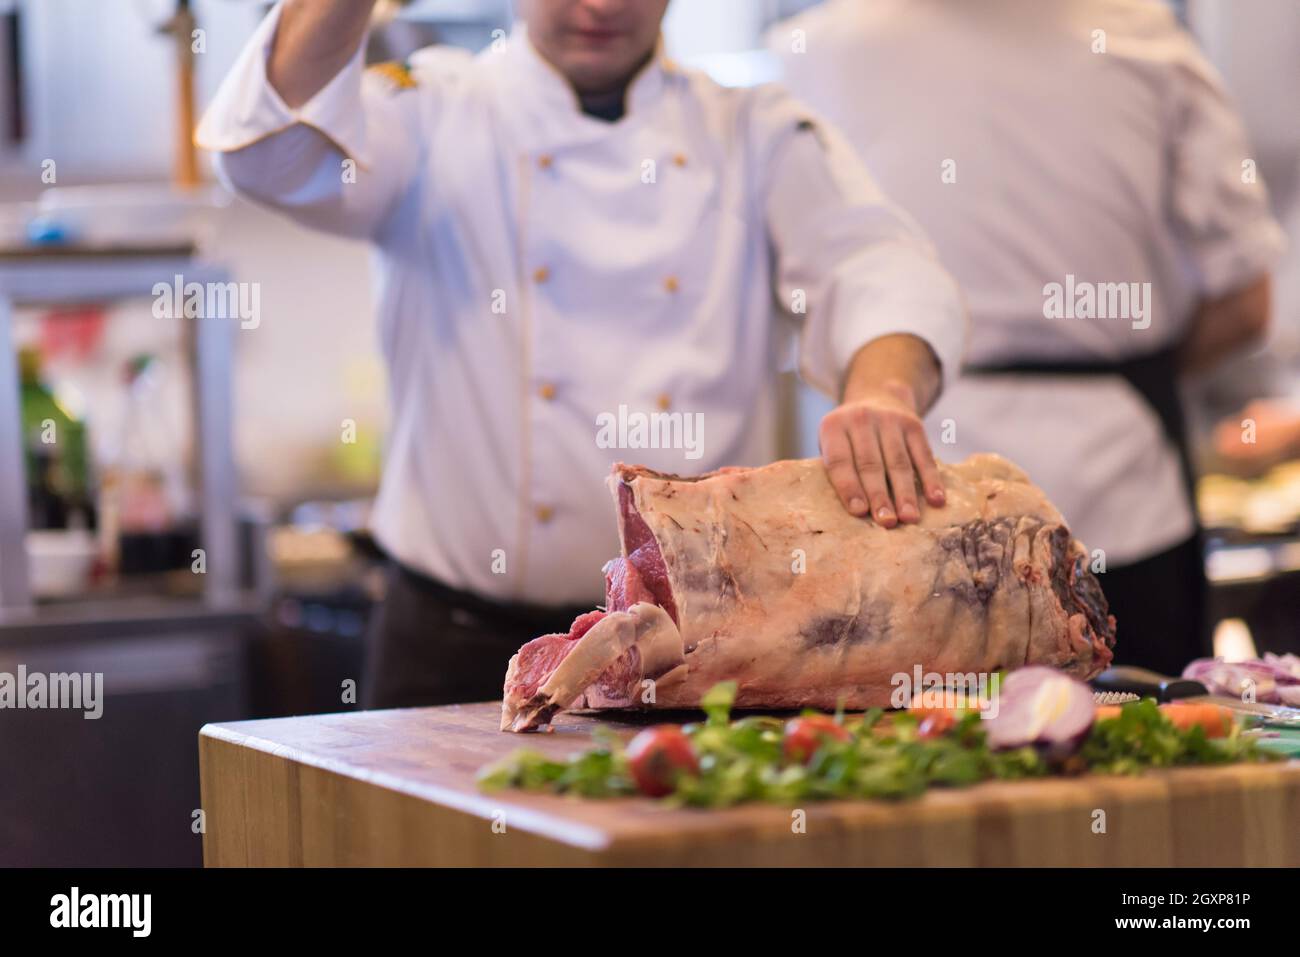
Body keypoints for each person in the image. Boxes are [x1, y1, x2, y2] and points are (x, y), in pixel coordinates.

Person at [197, 0, 968, 707]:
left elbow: (876, 266)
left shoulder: (750, 128)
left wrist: (884, 390)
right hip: (452, 645)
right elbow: (268, 151)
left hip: (689, 651)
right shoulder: (435, 109)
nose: (601, 5)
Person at [771, 0, 1286, 675]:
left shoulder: (806, 52)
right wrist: (1128, 373)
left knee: (914, 767)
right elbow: (1246, 304)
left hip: (897, 515)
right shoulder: (1148, 38)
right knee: (1147, 758)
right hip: (1117, 495)